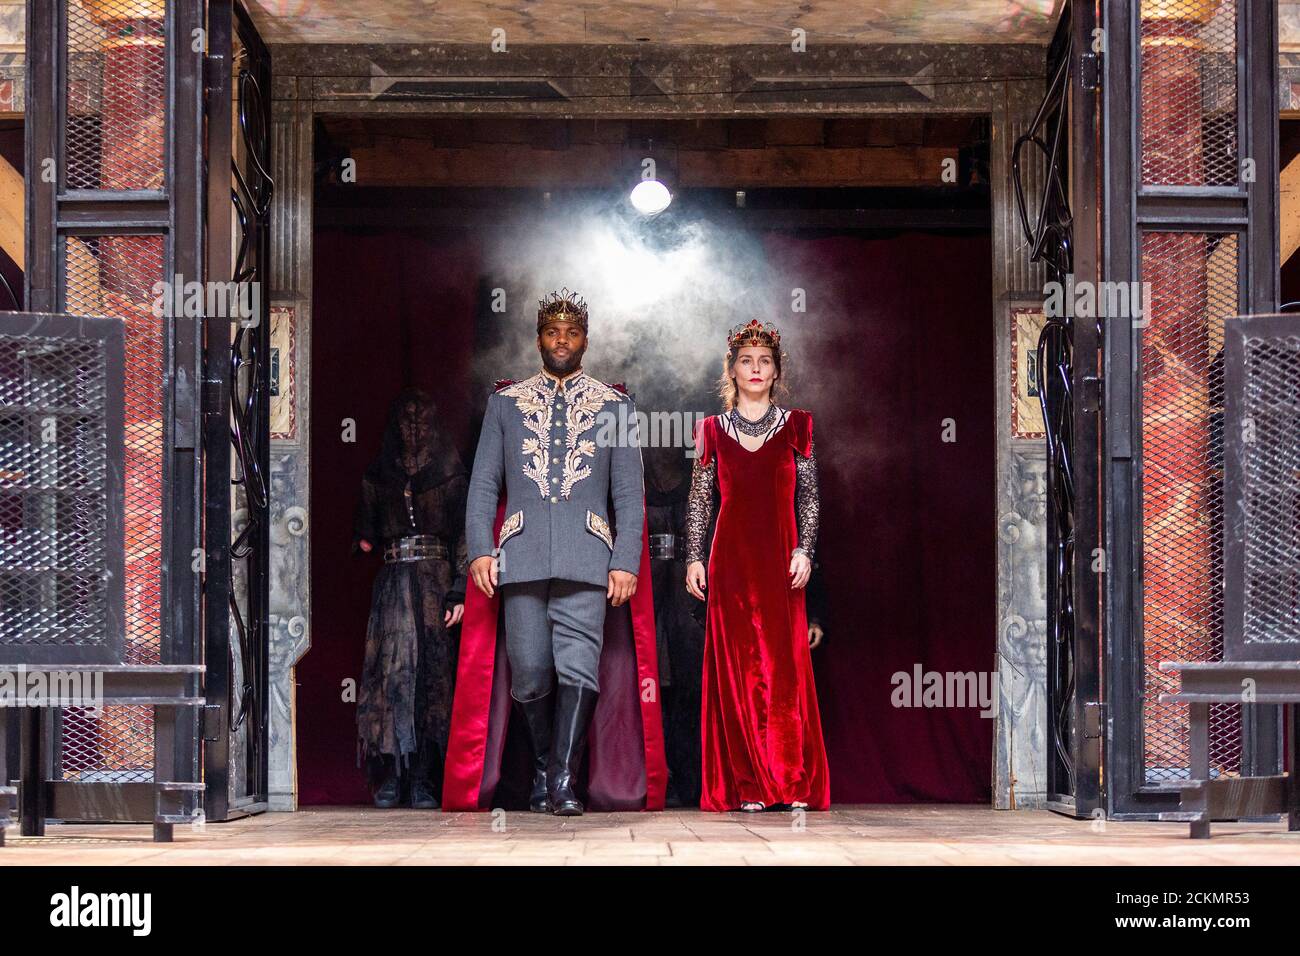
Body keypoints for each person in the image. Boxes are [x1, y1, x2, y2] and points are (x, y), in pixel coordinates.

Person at [443, 288, 666, 815]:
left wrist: (624, 562)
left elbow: (629, 495)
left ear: (585, 339)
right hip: (518, 558)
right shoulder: (506, 402)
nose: (561, 341)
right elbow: (482, 486)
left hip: (589, 557)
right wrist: (478, 549)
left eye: (571, 332)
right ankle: (545, 768)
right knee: (530, 672)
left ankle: (562, 781)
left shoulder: (616, 405)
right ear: (538, 338)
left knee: (579, 669)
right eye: (551, 332)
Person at [684, 318, 831, 812]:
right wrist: (693, 558)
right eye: (746, 360)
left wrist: (805, 549)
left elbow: (810, 497)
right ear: (732, 369)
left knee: (784, 670)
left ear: (776, 371)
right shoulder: (709, 431)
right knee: (738, 671)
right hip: (729, 564)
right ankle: (748, 783)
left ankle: (789, 782)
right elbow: (700, 501)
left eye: (764, 361)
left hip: (781, 562)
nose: (755, 368)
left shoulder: (798, 426)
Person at [353, 389, 468, 809]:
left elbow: (463, 536)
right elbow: (364, 535)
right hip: (394, 584)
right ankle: (392, 774)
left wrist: (459, 590)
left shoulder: (451, 472)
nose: (414, 429)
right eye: (406, 421)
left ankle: (424, 777)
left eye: (422, 421)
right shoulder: (380, 473)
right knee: (393, 676)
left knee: (434, 675)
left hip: (435, 583)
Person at [644, 445, 704, 807]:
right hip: (645, 590)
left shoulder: (699, 479)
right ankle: (654, 779)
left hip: (687, 593)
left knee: (690, 689)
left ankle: (692, 781)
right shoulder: (634, 477)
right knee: (650, 686)